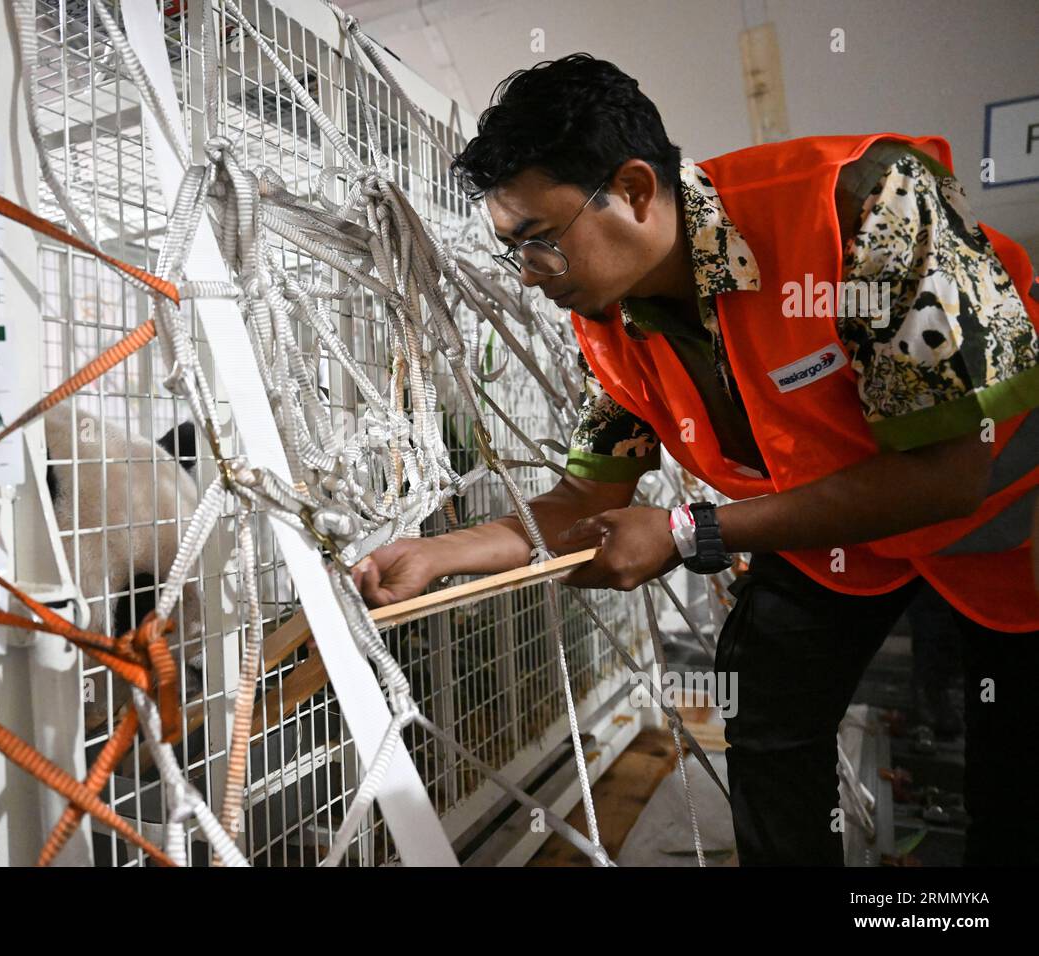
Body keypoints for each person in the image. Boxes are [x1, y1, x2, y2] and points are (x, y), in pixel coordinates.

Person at [352, 53, 1039, 866]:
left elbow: (949, 474)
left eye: (540, 243)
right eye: (515, 252)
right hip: (835, 531)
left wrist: (687, 533)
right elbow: (581, 499)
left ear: (637, 191)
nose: (531, 277)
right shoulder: (613, 322)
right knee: (769, 715)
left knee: (1012, 773)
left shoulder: (862, 203)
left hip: (1007, 521)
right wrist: (436, 556)